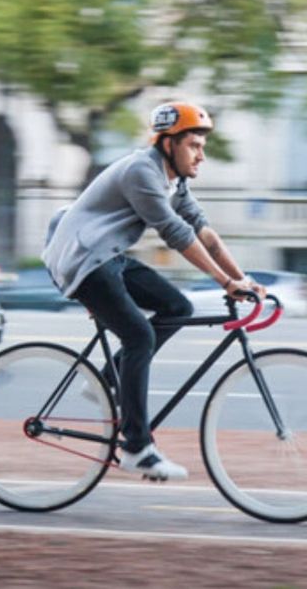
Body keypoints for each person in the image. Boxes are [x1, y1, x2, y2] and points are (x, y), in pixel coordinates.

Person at [41, 101, 265, 481]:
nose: (201, 156)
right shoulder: (141, 172)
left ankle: (106, 381)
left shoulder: (175, 182)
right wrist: (224, 283)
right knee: (139, 336)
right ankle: (136, 448)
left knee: (177, 306)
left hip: (108, 257)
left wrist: (242, 278)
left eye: (203, 147)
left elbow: (204, 233)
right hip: (83, 260)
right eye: (194, 145)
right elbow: (177, 235)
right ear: (168, 144)